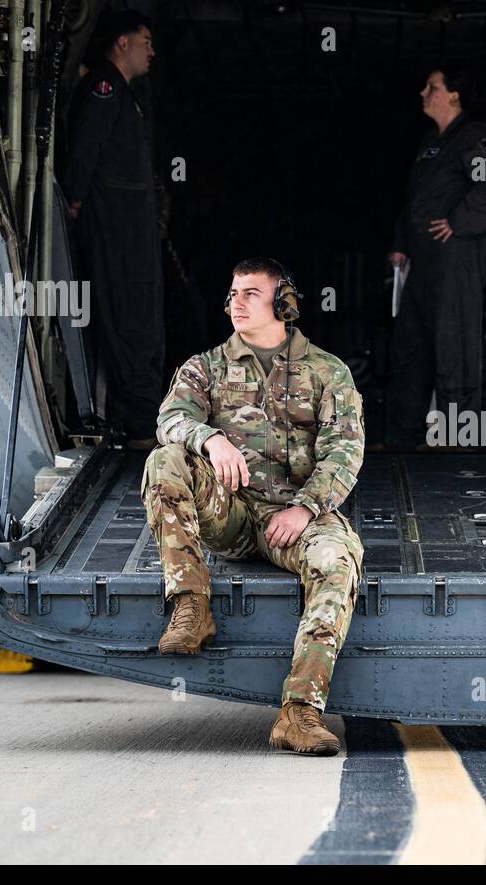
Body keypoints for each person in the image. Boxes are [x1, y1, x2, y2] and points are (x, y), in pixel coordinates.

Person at [141, 257, 365, 756]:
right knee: (165, 460)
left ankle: (300, 713)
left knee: (339, 562)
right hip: (233, 513)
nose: (234, 303)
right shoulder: (206, 366)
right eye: (231, 293)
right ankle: (191, 605)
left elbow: (345, 452)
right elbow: (171, 418)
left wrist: (306, 509)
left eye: (249, 293)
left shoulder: (328, 372)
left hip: (297, 517)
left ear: (283, 303)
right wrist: (210, 439)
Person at [382, 67, 486, 450]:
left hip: (456, 259)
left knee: (454, 342)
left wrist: (458, 222)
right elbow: (415, 203)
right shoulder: (430, 144)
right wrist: (401, 242)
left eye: (432, 87)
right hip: (422, 263)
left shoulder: (473, 137)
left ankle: (458, 439)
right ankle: (403, 438)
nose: (424, 91)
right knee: (411, 343)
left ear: (454, 95)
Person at [62, 11, 163, 450]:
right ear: (122, 42)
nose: (151, 51)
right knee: (128, 315)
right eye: (145, 41)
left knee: (141, 314)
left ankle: (142, 415)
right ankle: (139, 421)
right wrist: (76, 198)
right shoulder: (105, 89)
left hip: (132, 228)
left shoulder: (124, 94)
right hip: (116, 228)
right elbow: (86, 149)